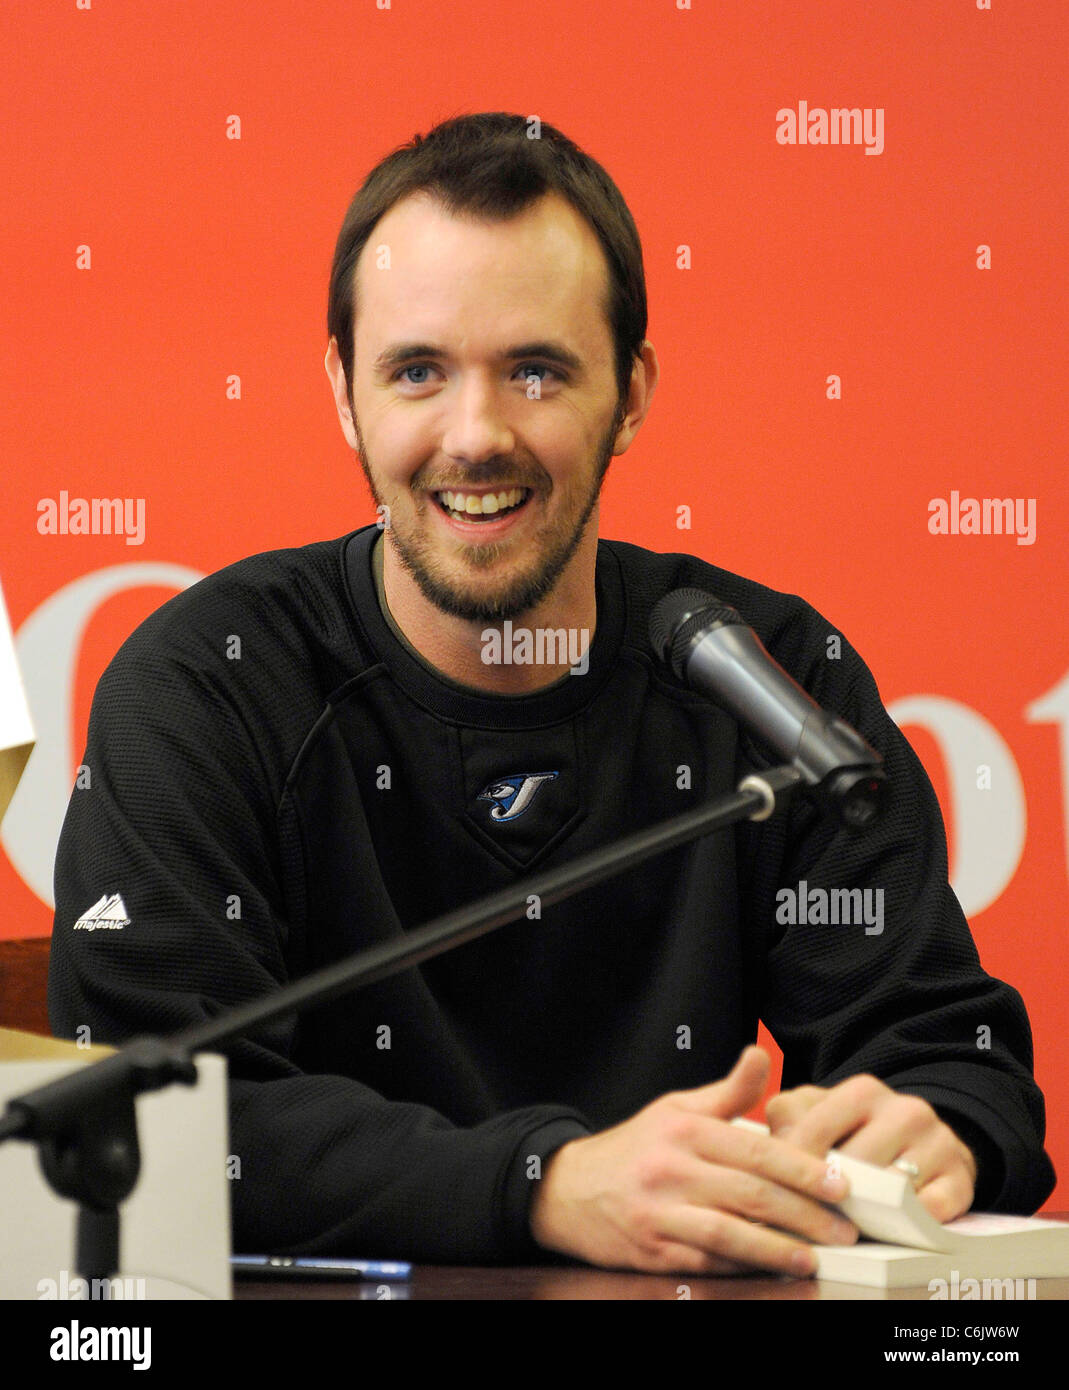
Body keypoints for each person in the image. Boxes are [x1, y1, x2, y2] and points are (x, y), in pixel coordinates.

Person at [48, 112, 1054, 1276]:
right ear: (343, 395)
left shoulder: (765, 673)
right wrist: (543, 1183)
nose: (474, 437)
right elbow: (145, 1116)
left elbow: (952, 1049)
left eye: (535, 371)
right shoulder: (204, 687)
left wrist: (939, 1126)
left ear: (631, 392)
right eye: (417, 372)